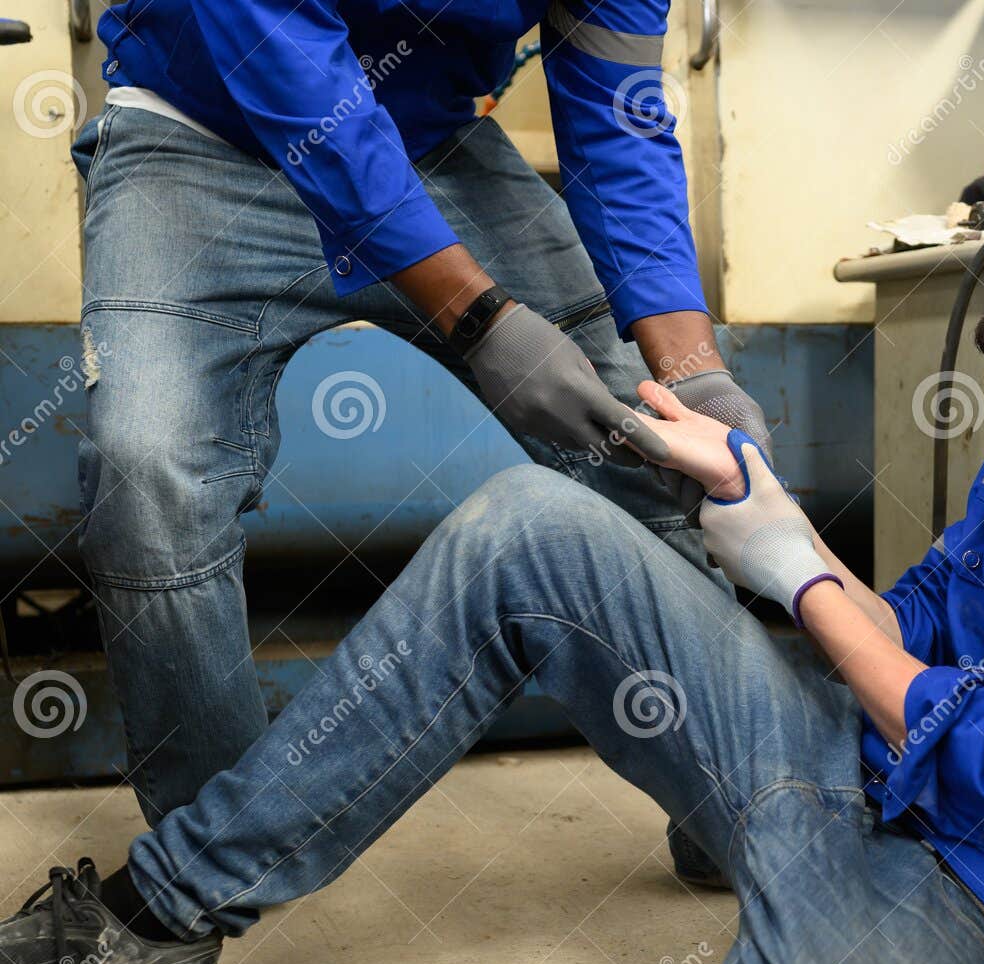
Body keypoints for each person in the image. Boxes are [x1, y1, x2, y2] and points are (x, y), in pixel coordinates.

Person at [0, 92, 984, 964]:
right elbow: (918, 633)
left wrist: (805, 585)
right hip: (863, 774)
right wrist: (764, 521)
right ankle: (156, 913)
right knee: (533, 523)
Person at [72, 0, 767, 836]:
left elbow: (616, 113)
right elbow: (284, 62)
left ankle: (747, 811)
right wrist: (478, 318)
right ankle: (200, 869)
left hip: (425, 142)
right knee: (147, 471)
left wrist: (695, 374)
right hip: (199, 132)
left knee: (653, 448)